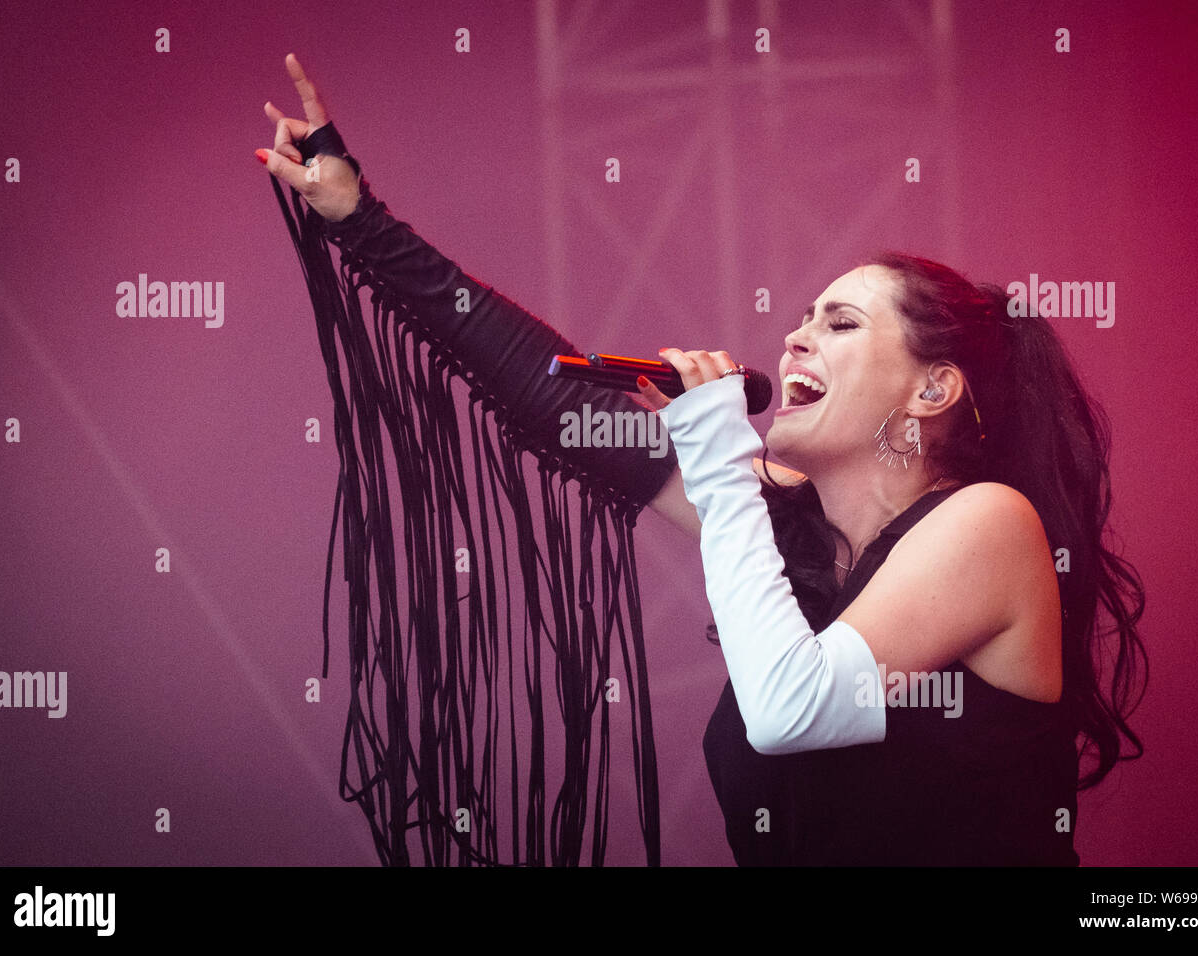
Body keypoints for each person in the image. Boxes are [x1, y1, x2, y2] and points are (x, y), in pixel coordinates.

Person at [259, 54, 1147, 866]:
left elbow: (792, 708)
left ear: (933, 391)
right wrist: (362, 222)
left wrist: (720, 455)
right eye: (801, 319)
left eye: (839, 325)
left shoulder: (990, 523)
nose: (796, 339)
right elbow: (564, 400)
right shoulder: (788, 519)